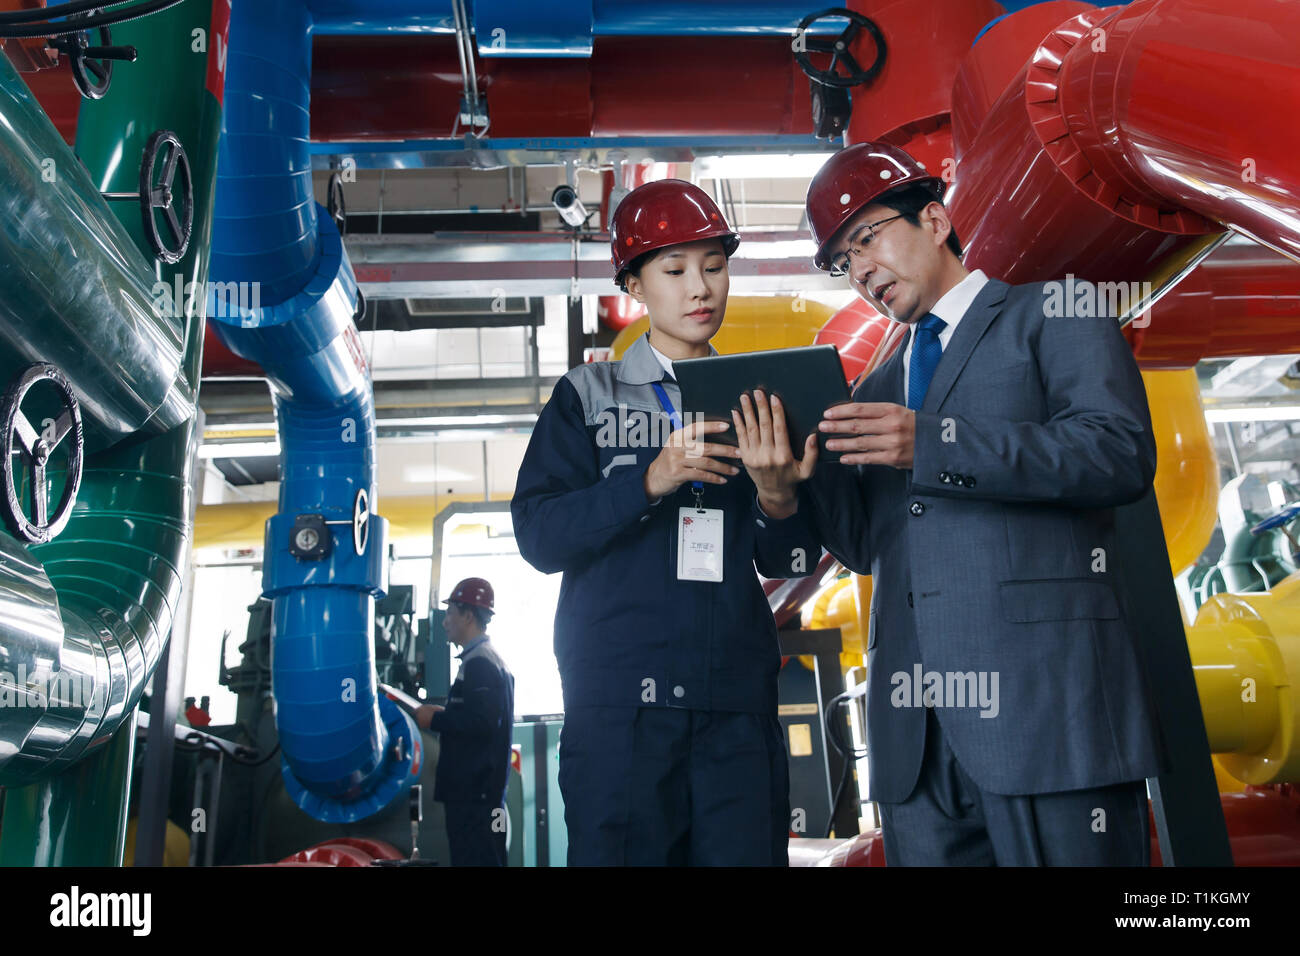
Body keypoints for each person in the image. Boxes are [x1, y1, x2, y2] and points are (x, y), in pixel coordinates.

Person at [784, 141, 1169, 865]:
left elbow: (1117, 454)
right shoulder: (870, 391)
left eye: (867, 238)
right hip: (917, 747)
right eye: (843, 261)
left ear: (933, 220)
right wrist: (788, 488)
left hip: (1048, 716)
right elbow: (869, 547)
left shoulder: (1055, 311)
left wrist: (933, 444)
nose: (861, 270)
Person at [511, 179, 821, 866]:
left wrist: (777, 496)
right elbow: (540, 536)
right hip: (621, 707)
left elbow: (791, 562)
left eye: (713, 266)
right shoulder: (584, 398)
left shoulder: (763, 397)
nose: (699, 288)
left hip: (734, 701)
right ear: (634, 283)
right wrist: (648, 480)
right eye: (675, 270)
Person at [416, 576, 515, 867]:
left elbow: (481, 724)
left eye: (450, 613)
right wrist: (443, 712)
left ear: (468, 615)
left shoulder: (480, 663)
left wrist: (434, 720)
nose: (445, 621)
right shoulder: (483, 660)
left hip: (475, 796)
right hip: (481, 793)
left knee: (476, 858)